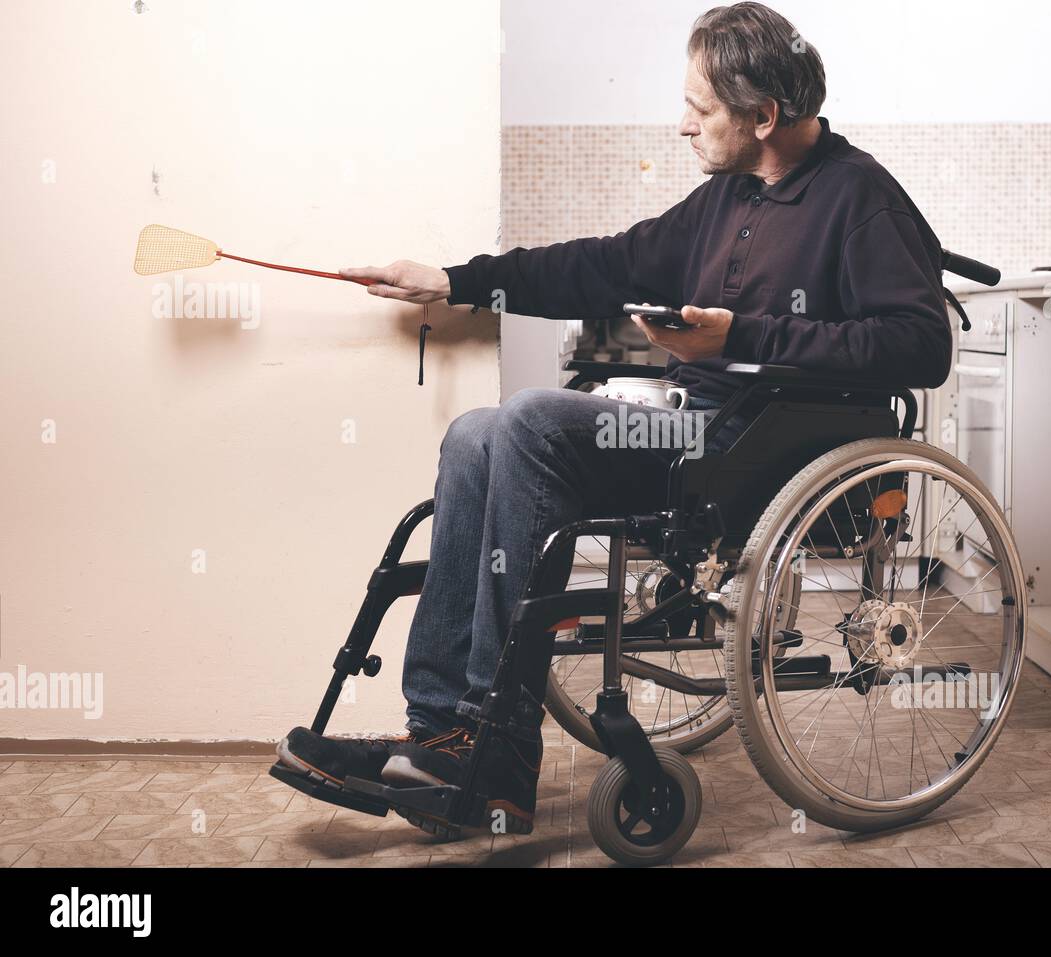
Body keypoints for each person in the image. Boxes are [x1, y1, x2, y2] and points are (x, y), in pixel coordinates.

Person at [276, 1, 952, 838]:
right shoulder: (725, 198)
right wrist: (454, 278)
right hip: (687, 431)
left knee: (526, 421)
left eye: (699, 109)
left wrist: (742, 334)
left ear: (764, 115)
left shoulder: (860, 200)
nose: (683, 127)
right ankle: (440, 726)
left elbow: (921, 345)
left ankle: (491, 751)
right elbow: (600, 265)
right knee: (476, 434)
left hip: (754, 451)